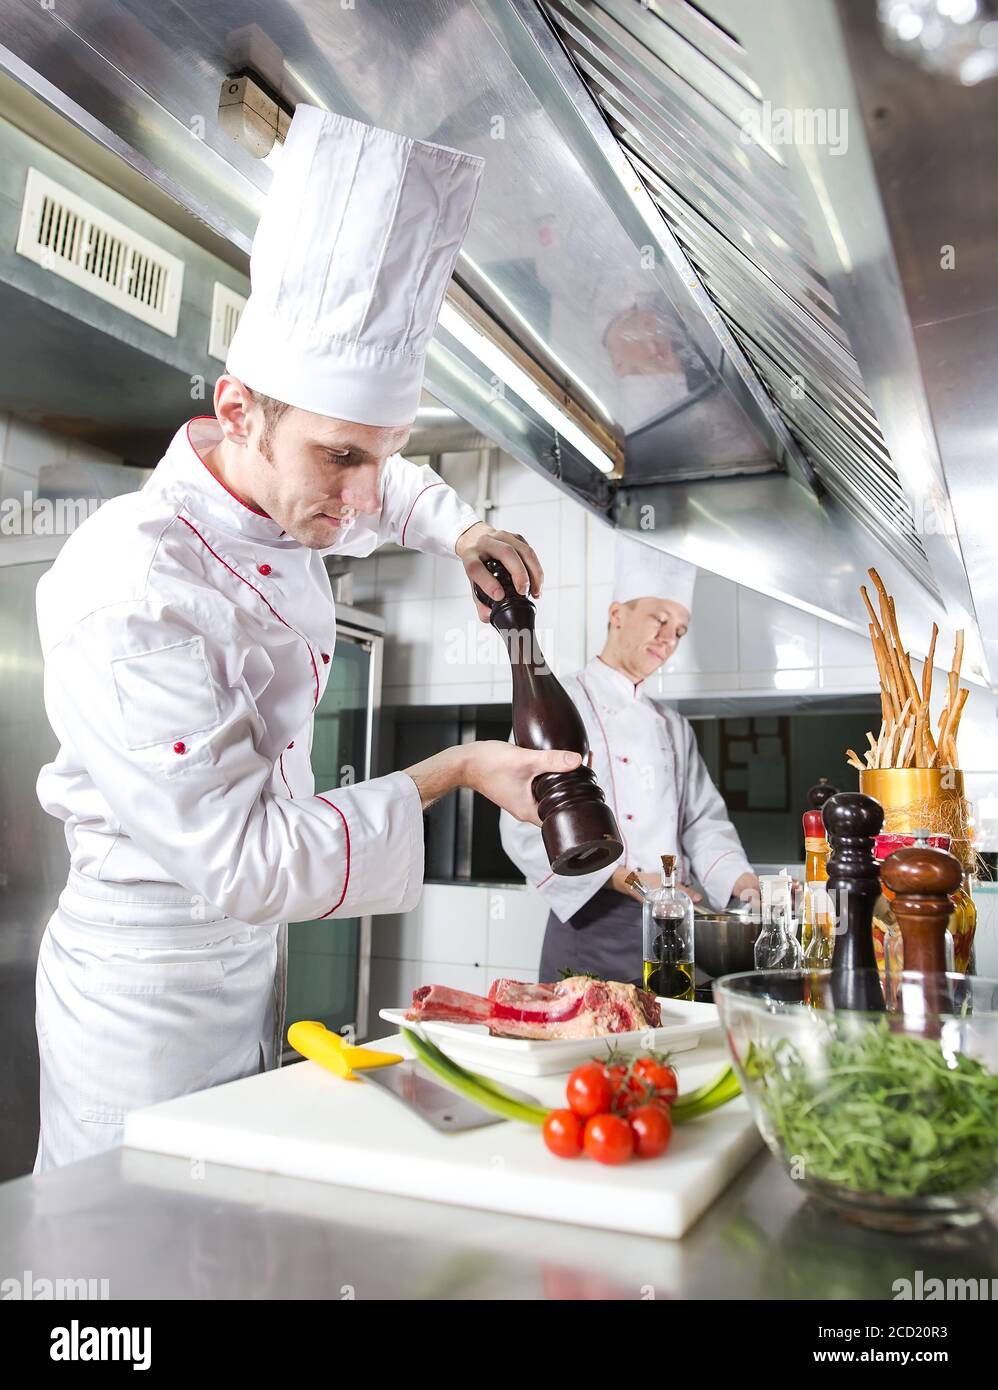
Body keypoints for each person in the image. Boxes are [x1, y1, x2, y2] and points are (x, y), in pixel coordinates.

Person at [32, 107, 578, 1171]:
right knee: (132, 1260)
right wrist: (457, 768)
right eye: (341, 459)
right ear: (236, 409)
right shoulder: (134, 592)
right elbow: (244, 858)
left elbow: (381, 485)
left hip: (248, 958)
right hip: (141, 997)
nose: (364, 496)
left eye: (384, 455)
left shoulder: (289, 488)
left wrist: (460, 527)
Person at [500, 534, 758, 983]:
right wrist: (620, 877)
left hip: (669, 925)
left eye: (678, 630)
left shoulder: (673, 726)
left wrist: (742, 883)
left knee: (663, 1051)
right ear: (617, 614)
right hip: (591, 920)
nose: (668, 639)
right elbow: (521, 824)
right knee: (586, 1048)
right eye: (660, 619)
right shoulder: (558, 703)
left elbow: (701, 823)